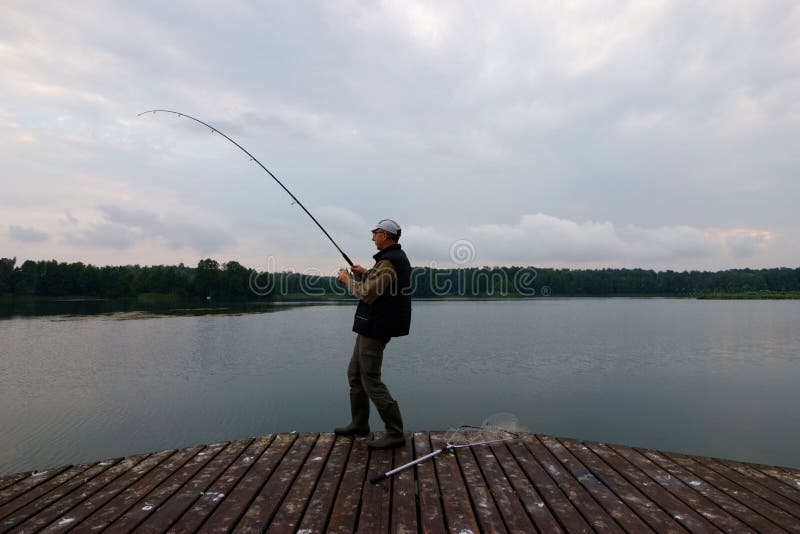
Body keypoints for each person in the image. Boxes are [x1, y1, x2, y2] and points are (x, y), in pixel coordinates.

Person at [335, 219, 412, 449]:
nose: (372, 237)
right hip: (370, 326)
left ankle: (395, 432)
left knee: (371, 381)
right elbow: (382, 283)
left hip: (377, 328)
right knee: (355, 375)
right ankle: (359, 424)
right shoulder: (389, 260)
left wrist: (348, 280)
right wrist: (366, 272)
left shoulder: (389, 261)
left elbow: (368, 294)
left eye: (375, 233)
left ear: (385, 236)